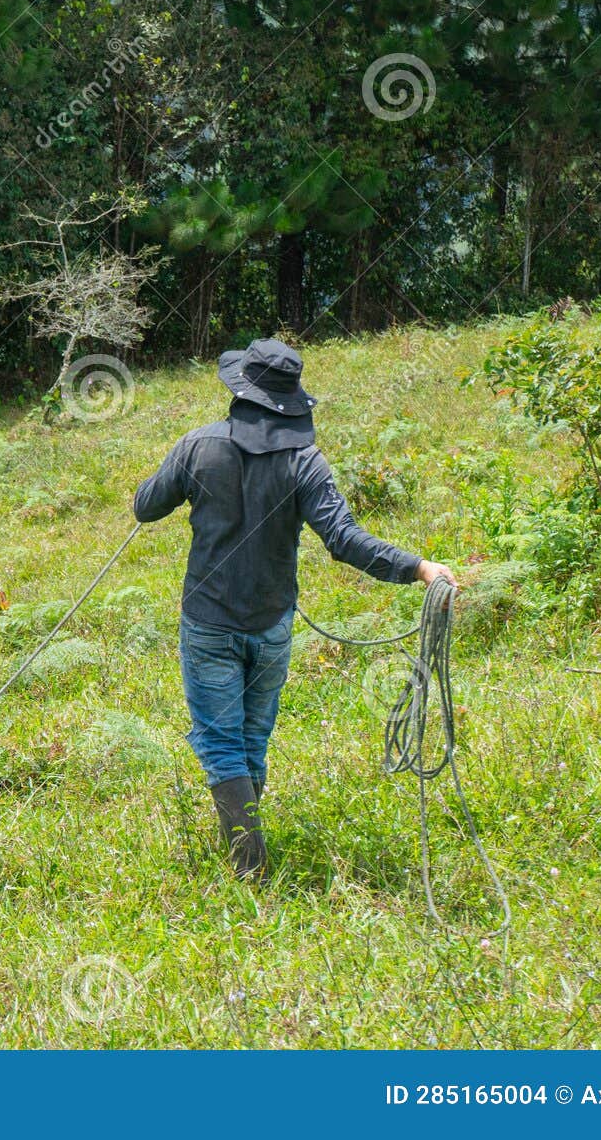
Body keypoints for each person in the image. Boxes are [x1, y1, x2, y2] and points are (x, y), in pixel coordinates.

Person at [133, 338, 456, 883]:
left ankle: (249, 866)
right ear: (287, 401)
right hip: (271, 624)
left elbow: (146, 506)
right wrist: (419, 567)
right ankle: (246, 852)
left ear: (239, 390)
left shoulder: (196, 446)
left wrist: (172, 477)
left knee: (221, 743)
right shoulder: (305, 462)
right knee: (249, 741)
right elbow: (344, 539)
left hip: (208, 623)